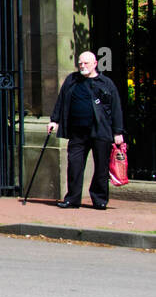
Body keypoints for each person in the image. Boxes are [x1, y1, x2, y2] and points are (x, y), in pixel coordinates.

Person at [47, 51, 125, 210]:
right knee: (74, 165)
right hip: (77, 132)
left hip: (100, 130)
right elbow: (61, 100)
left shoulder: (106, 83)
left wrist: (118, 132)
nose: (82, 66)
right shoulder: (72, 80)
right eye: (80, 63)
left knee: (101, 167)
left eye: (86, 63)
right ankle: (72, 199)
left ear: (95, 64)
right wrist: (54, 120)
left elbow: (116, 108)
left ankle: (99, 199)